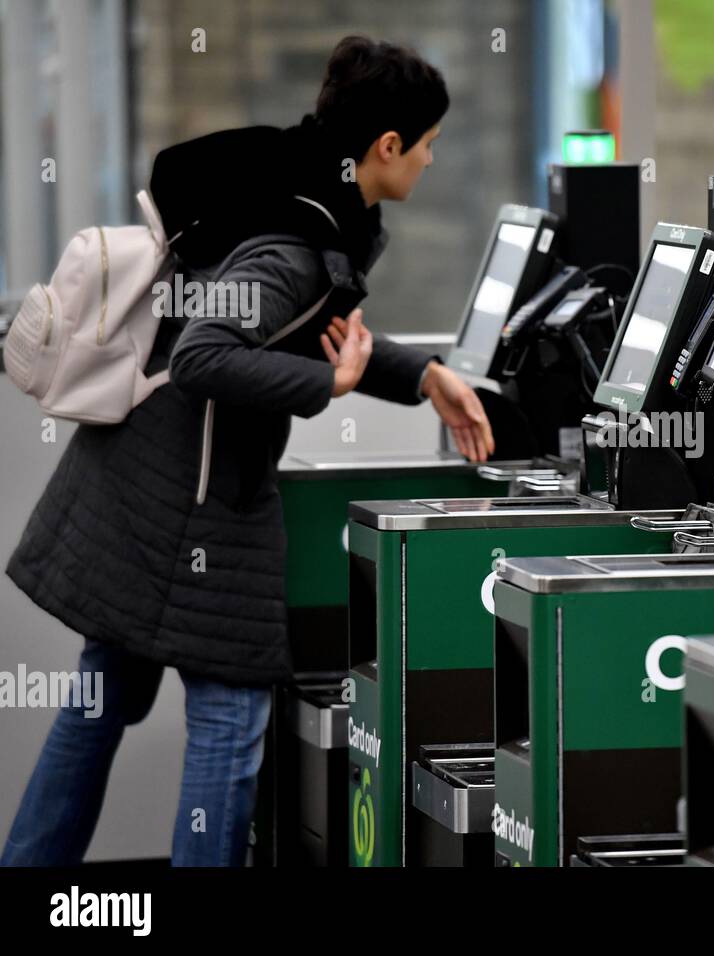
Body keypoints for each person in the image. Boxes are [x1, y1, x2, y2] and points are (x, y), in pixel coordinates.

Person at [1, 36, 493, 866]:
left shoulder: (297, 192)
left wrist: (425, 375)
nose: (433, 159)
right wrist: (327, 391)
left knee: (99, 701)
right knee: (230, 720)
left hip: (137, 483)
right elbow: (205, 355)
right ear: (385, 148)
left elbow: (312, 335)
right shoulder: (294, 243)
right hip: (192, 507)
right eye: (429, 143)